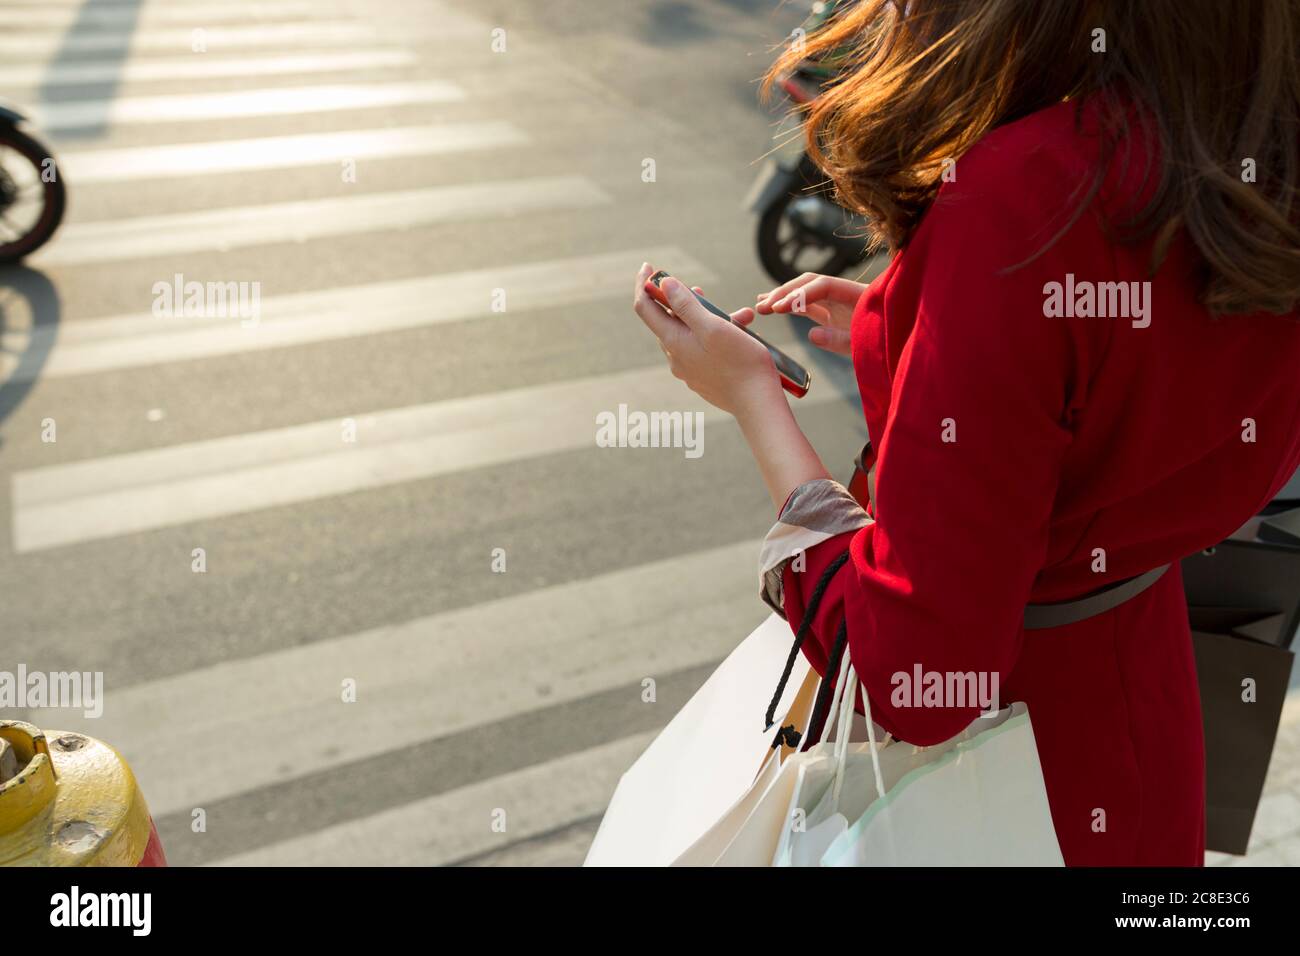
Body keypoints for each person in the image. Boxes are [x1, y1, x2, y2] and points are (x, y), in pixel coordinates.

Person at [630, 0, 1300, 866]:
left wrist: (755, 398)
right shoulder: (1246, 154)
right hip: (1142, 727)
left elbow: (915, 674)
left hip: (1000, 781)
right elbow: (1128, 368)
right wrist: (911, 326)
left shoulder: (1025, 193)